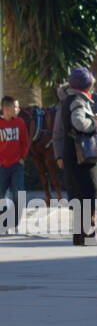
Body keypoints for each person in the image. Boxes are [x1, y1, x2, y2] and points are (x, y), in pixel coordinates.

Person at [54, 67, 97, 246]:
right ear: (85, 85)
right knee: (91, 194)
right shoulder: (78, 100)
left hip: (71, 153)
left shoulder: (66, 100)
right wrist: (94, 124)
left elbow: (60, 130)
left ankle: (79, 237)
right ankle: (90, 237)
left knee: (79, 197)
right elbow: (78, 121)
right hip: (83, 155)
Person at [0, 96, 29, 232]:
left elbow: (25, 142)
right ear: (5, 108)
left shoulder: (20, 122)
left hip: (17, 165)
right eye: (14, 108)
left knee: (19, 194)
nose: (16, 110)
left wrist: (22, 157)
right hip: (2, 166)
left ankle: (13, 221)